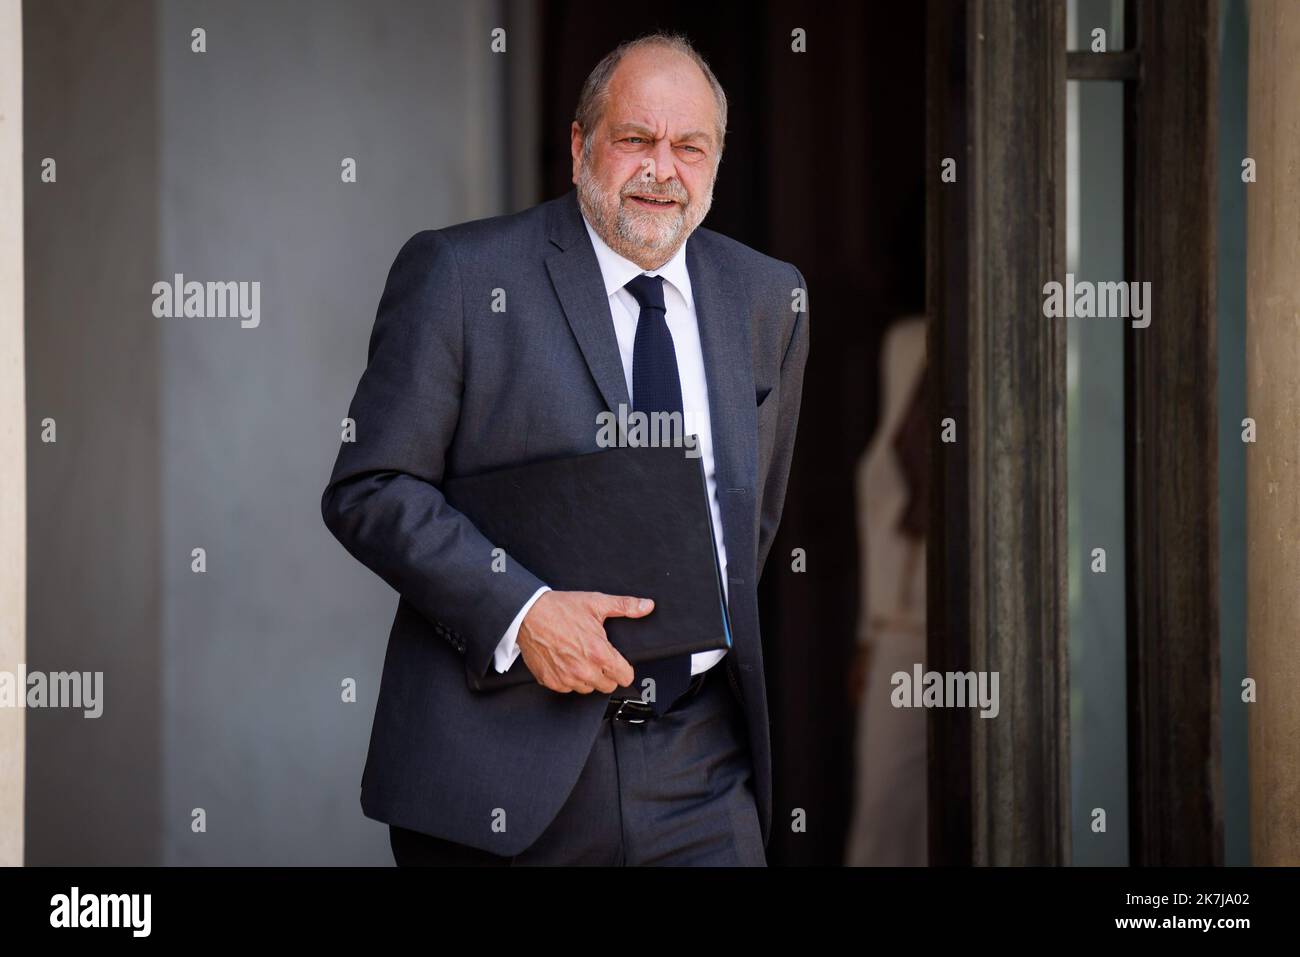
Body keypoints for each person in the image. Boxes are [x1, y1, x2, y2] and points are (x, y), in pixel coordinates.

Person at [321, 32, 809, 866]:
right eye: (636, 139)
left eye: (690, 147)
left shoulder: (769, 297)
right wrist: (522, 613)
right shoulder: (462, 275)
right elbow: (371, 483)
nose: (663, 169)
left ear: (718, 161)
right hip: (503, 767)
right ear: (581, 146)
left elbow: (749, 515)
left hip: (700, 764)